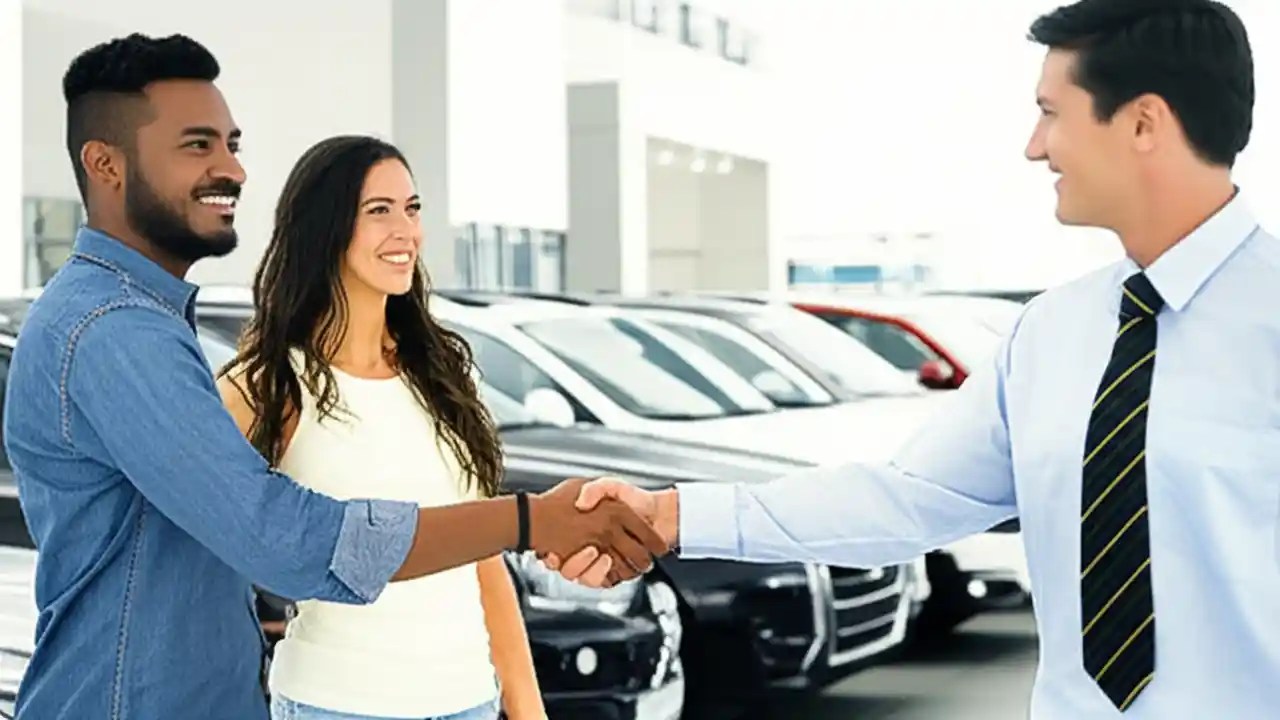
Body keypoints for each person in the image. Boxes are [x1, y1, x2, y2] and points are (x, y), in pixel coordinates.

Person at [553, 0, 1277, 717]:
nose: (1035, 145)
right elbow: (905, 501)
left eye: (1052, 111)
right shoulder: (1053, 333)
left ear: (1144, 122)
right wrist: (673, 515)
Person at [1, 34, 666, 720]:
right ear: (106, 164)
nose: (233, 168)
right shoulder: (119, 334)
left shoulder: (155, 324)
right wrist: (531, 518)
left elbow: (470, 561)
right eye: (197, 145)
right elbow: (280, 542)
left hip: (447, 697)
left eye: (232, 143)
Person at [214, 134, 541, 720]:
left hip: (469, 701)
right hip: (338, 704)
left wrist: (527, 709)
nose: (405, 231)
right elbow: (202, 537)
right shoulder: (267, 384)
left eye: (412, 209)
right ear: (327, 228)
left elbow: (483, 555)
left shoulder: (440, 370)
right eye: (379, 211)